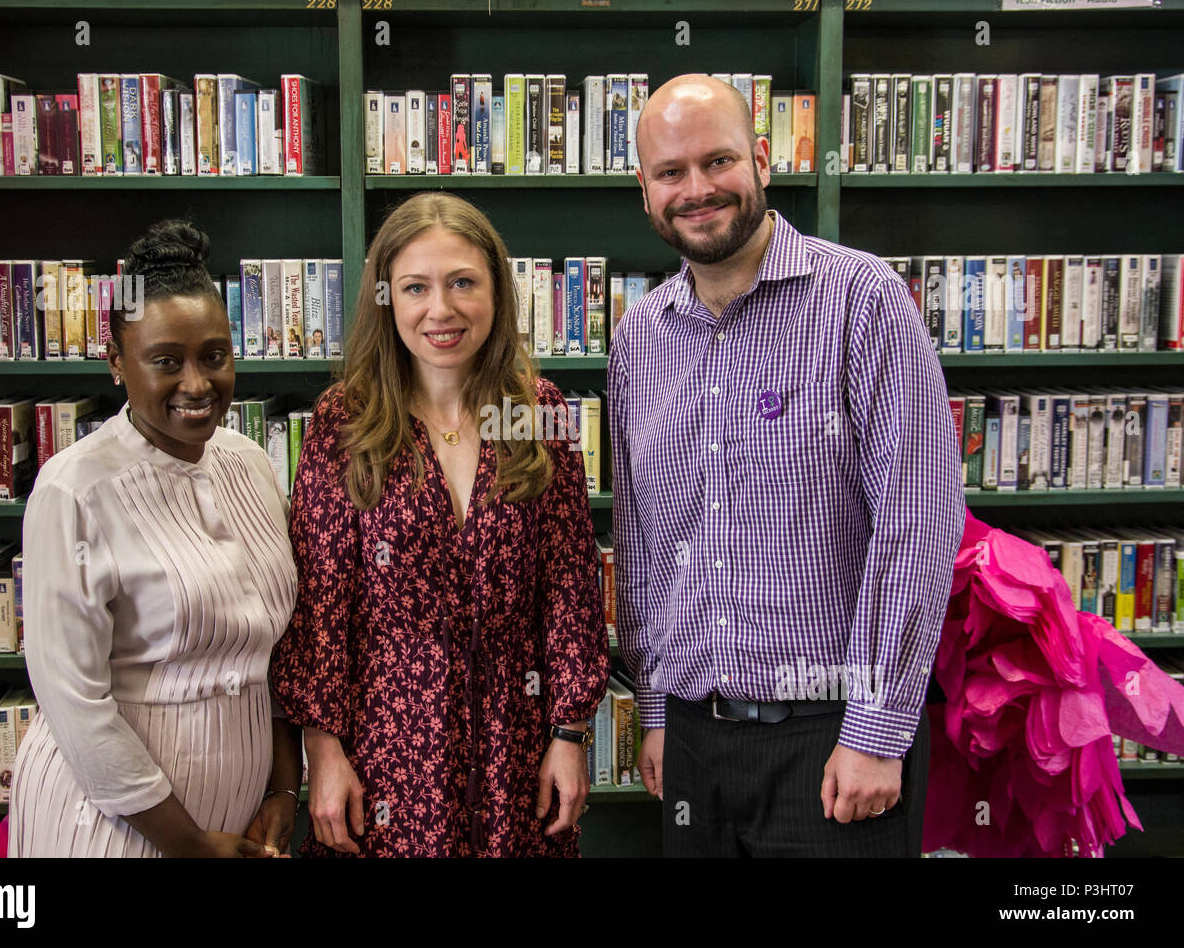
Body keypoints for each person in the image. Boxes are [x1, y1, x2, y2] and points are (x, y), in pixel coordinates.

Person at [610, 74, 965, 857]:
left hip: (836, 743)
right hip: (695, 745)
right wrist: (659, 710)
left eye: (719, 162)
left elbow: (920, 523)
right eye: (671, 172)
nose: (697, 190)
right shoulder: (639, 340)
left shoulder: (862, 300)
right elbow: (642, 544)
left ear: (763, 162)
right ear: (645, 190)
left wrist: (877, 730)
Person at [269, 191, 610, 857]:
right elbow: (320, 603)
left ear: (496, 292)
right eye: (415, 287)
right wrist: (324, 750)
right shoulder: (346, 420)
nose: (441, 309)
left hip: (517, 750)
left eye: (462, 283)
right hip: (384, 752)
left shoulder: (540, 412)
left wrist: (570, 736)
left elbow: (569, 588)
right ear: (386, 299)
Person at [9, 220, 301, 858]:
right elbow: (77, 705)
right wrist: (190, 845)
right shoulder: (73, 491)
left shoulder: (250, 462)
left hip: (238, 820)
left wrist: (284, 789)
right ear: (117, 363)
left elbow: (274, 655)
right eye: (166, 361)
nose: (197, 384)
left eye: (215, 356)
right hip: (110, 826)